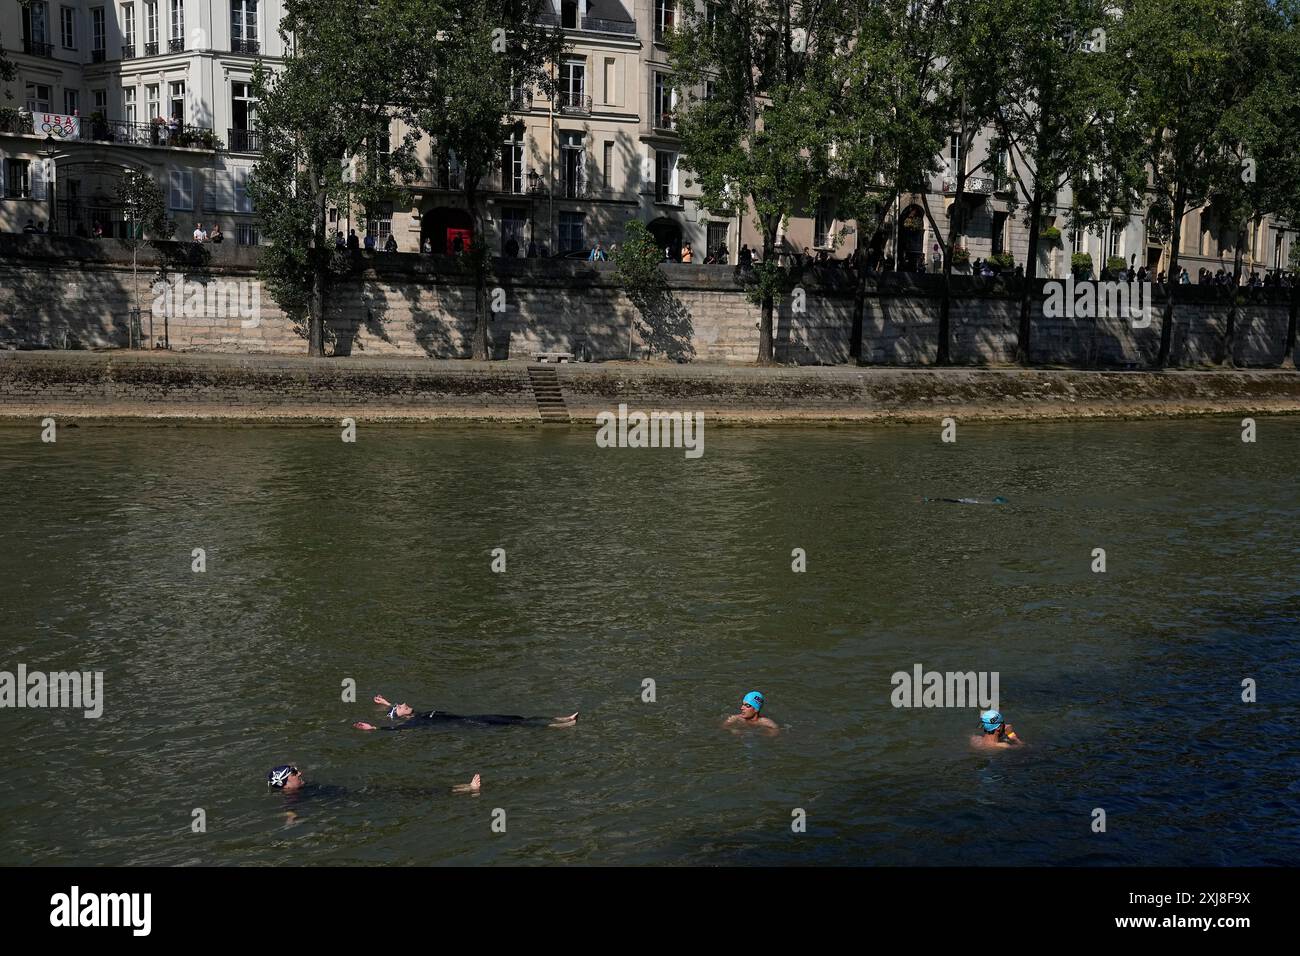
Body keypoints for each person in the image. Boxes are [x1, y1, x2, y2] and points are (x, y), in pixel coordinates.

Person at [353, 693, 578, 731]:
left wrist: (386, 703)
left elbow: (395, 712)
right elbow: (395, 729)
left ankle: (560, 717)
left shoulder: (417, 715)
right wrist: (374, 729)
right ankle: (558, 726)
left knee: (515, 717)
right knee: (514, 725)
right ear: (400, 715)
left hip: (473, 717)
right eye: (400, 706)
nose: (404, 704)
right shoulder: (415, 724)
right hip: (471, 725)